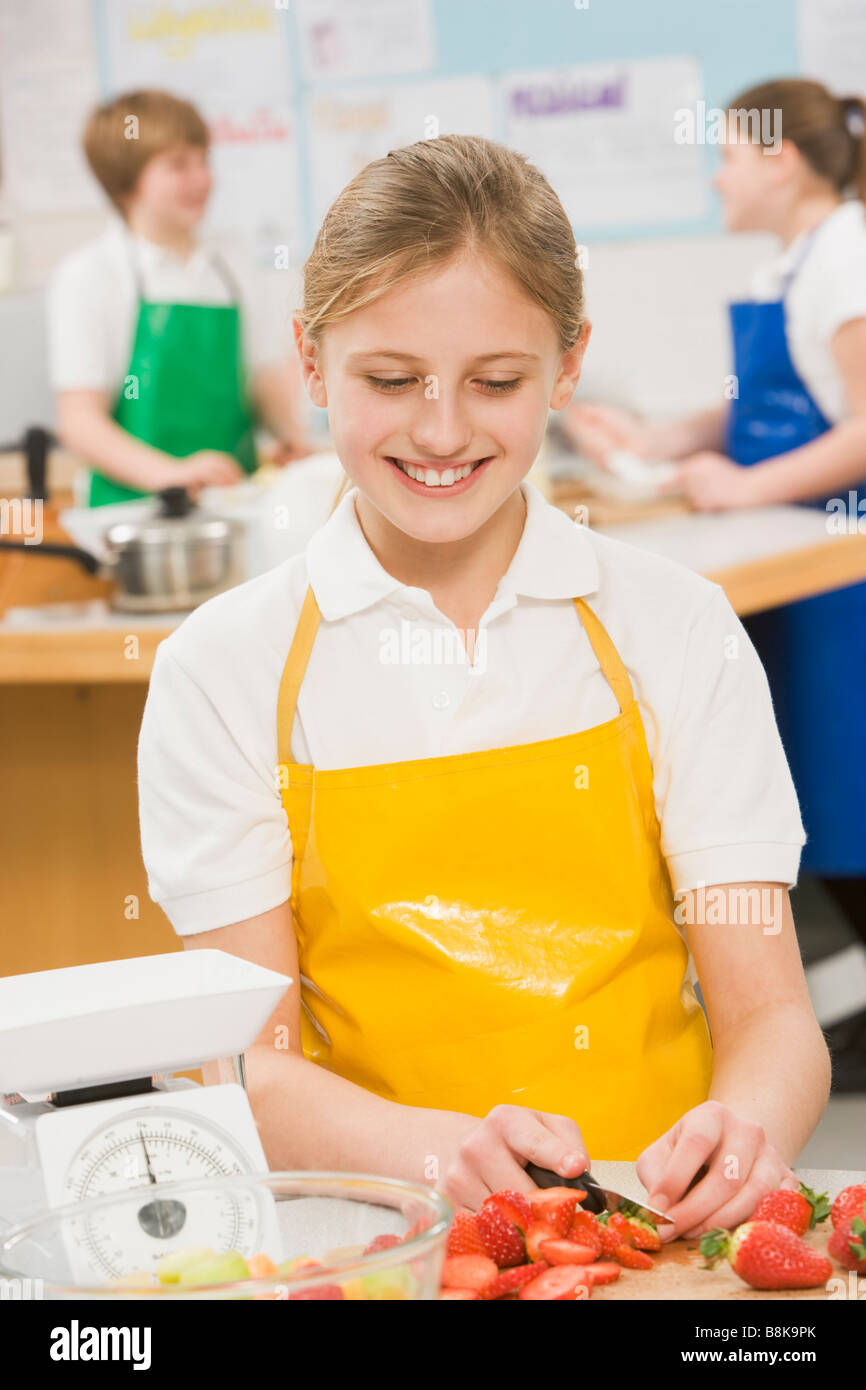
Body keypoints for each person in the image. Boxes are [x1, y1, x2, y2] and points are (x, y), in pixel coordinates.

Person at [138, 134, 829, 1235]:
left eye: (497, 381)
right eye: (389, 378)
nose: (442, 429)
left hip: (646, 1234)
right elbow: (242, 1070)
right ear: (311, 366)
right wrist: (446, 1157)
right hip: (377, 1237)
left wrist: (740, 1132)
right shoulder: (220, 670)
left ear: (566, 363)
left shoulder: (676, 628)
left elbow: (771, 1018)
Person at [566, 78, 866, 1089]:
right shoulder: (790, 261)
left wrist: (739, 486)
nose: (714, 173)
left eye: (728, 154)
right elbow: (769, 400)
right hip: (798, 569)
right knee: (818, 794)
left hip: (842, 566)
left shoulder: (847, 253)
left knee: (848, 787)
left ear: (778, 158)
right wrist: (662, 438)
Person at [47, 89, 313, 506]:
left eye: (204, 159)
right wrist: (170, 475)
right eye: (178, 165)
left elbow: (263, 377)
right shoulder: (89, 275)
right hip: (134, 514)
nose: (202, 178)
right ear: (126, 179)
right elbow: (79, 421)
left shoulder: (233, 263)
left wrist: (291, 437)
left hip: (232, 501)